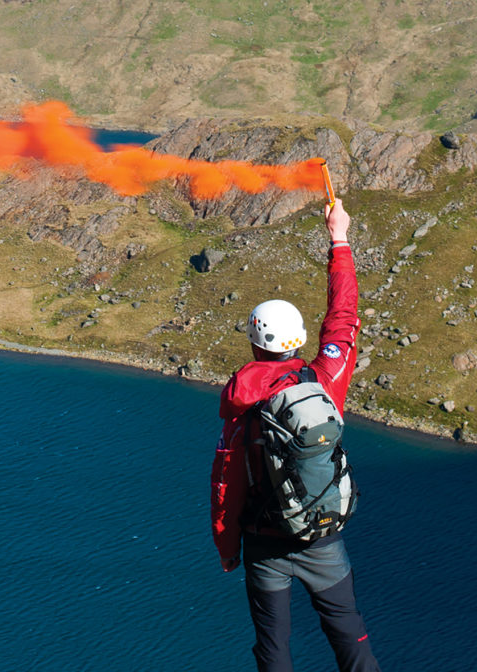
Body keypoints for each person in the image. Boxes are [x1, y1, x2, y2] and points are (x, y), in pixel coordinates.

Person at [210, 199, 381, 672]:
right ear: (299, 341)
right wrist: (339, 238)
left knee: (274, 648)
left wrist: (229, 552)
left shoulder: (241, 408)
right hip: (321, 538)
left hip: (264, 545)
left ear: (253, 342)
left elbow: (227, 486)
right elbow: (344, 318)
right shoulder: (321, 384)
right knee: (349, 634)